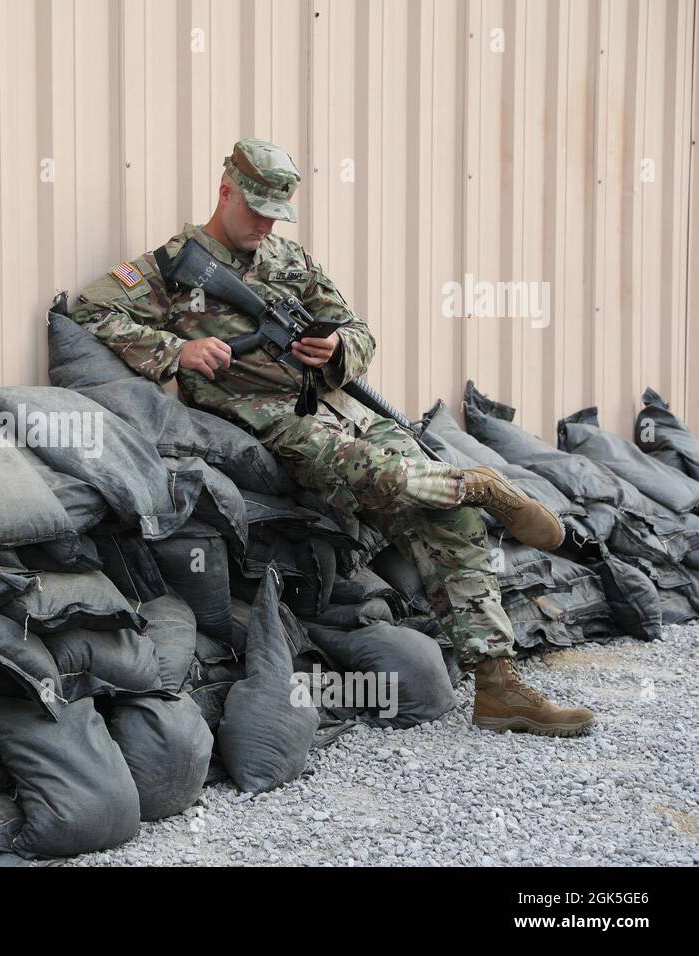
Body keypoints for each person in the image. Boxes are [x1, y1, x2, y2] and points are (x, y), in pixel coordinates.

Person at [69, 137, 594, 737]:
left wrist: (338, 347)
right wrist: (177, 350)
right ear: (225, 192)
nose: (265, 224)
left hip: (341, 410)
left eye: (275, 213)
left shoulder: (292, 263)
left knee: (454, 522)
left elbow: (358, 331)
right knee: (377, 474)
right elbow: (91, 310)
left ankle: (499, 688)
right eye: (255, 209)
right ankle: (474, 484)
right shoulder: (169, 268)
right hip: (270, 424)